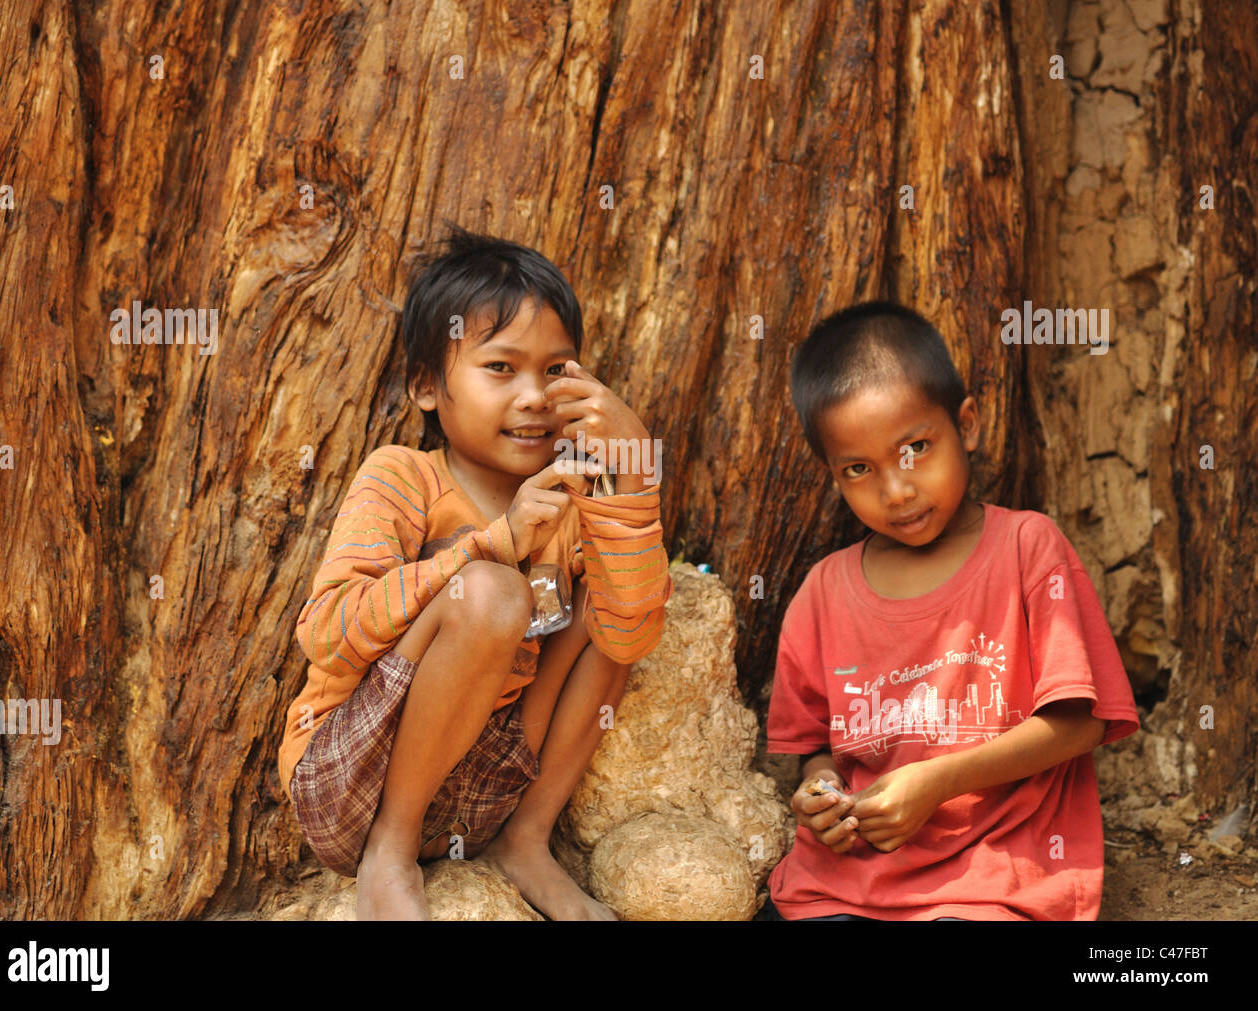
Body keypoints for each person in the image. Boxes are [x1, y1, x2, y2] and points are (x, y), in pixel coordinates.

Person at [277, 226, 671, 920]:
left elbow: (634, 637)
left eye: (556, 370)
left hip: (484, 792)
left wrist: (634, 482)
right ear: (427, 386)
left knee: (605, 611)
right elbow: (329, 633)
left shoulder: (575, 501)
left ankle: (525, 842)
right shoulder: (403, 476)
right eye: (500, 368)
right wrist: (491, 544)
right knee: (491, 592)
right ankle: (389, 857)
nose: (535, 397)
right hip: (354, 783)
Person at [763, 301, 1140, 921]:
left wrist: (937, 781)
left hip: (990, 881)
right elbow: (816, 750)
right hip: (845, 885)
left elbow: (1082, 724)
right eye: (859, 469)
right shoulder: (822, 593)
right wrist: (821, 793)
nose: (897, 489)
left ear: (965, 425)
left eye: (915, 447)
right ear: (833, 476)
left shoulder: (1026, 548)